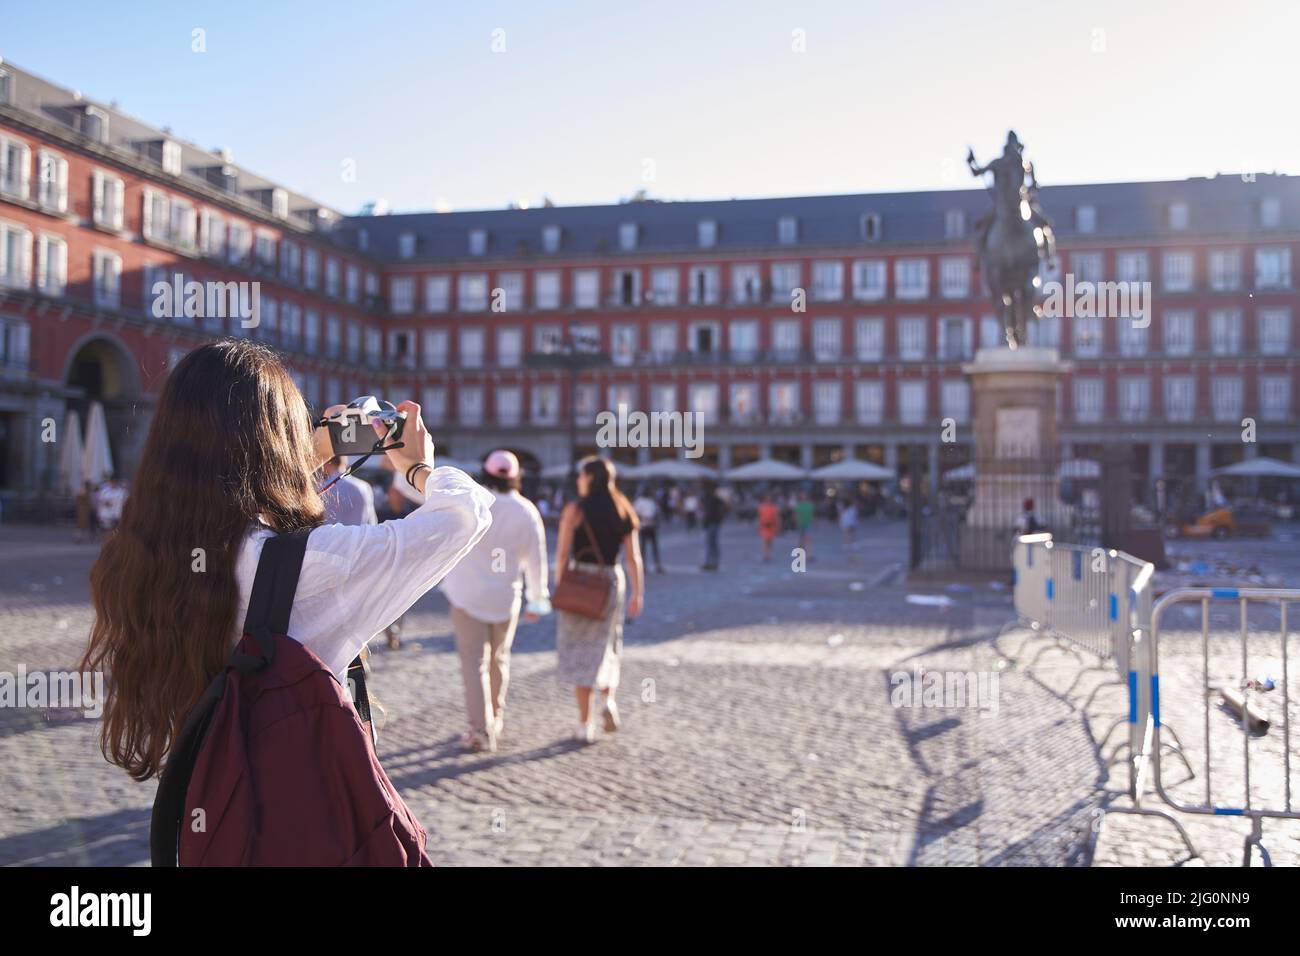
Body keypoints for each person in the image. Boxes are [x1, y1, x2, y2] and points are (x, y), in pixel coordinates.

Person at [80, 339, 493, 860]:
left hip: (213, 818)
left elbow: (241, 509)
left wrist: (308, 458)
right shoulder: (308, 565)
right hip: (303, 819)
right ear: (274, 439)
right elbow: (466, 516)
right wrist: (417, 469)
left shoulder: (140, 554)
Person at [439, 450, 550, 753]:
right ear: (516, 476)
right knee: (499, 660)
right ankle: (495, 719)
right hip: (505, 597)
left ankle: (479, 729)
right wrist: (538, 599)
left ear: (485, 473)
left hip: (467, 594)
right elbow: (537, 560)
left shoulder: (473, 502)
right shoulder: (526, 510)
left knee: (474, 664)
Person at [554, 457, 644, 744]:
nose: (578, 480)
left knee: (581, 649)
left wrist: (559, 586)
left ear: (590, 478)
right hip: (611, 580)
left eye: (581, 476)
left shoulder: (575, 510)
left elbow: (561, 554)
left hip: (581, 581)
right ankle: (608, 700)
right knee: (608, 642)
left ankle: (584, 725)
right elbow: (633, 557)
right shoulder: (622, 509)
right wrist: (638, 592)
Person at [320, 455, 378, 526]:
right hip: (360, 535)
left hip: (332, 535)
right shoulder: (364, 486)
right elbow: (372, 520)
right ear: (345, 462)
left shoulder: (322, 489)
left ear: (326, 463)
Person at [633, 486, 665, 573]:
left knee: (654, 547)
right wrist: (643, 519)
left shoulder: (651, 501)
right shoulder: (639, 502)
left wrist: (654, 520)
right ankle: (643, 566)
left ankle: (657, 565)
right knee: (643, 548)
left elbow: (656, 513)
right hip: (644, 526)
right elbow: (635, 514)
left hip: (651, 526)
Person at [700, 479, 726, 571]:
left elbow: (708, 512)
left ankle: (712, 562)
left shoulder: (712, 498)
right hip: (712, 523)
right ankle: (711, 562)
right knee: (711, 543)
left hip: (711, 523)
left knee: (711, 543)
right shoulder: (712, 498)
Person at [757, 493, 780, 562]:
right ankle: (765, 555)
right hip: (764, 525)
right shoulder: (762, 507)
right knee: (765, 541)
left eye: (769, 498)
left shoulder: (774, 507)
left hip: (772, 525)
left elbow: (777, 517)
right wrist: (759, 525)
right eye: (767, 498)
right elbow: (760, 517)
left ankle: (769, 554)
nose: (768, 500)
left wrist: (778, 526)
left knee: (770, 541)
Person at [795, 491, 815, 560]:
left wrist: (813, 522)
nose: (804, 497)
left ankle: (809, 555)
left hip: (808, 524)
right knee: (801, 540)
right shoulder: (799, 505)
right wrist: (797, 522)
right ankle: (800, 554)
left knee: (808, 540)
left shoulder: (810, 505)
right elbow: (796, 515)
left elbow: (812, 515)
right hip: (801, 524)